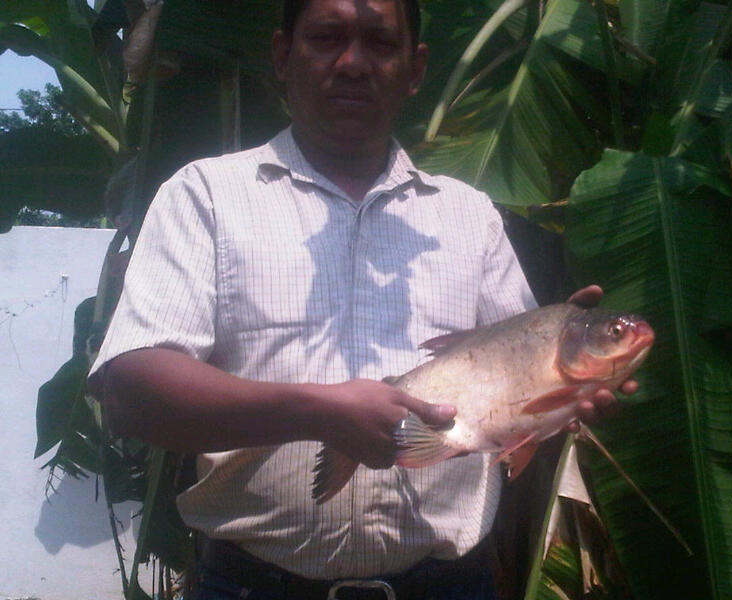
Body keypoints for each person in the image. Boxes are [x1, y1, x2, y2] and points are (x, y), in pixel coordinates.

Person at [88, 0, 631, 598]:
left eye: (380, 42)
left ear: (415, 68)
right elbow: (131, 393)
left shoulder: (469, 217)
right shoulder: (208, 197)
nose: (352, 62)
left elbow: (512, 399)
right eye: (326, 38)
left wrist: (561, 369)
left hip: (449, 587)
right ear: (282, 56)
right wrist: (318, 412)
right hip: (251, 585)